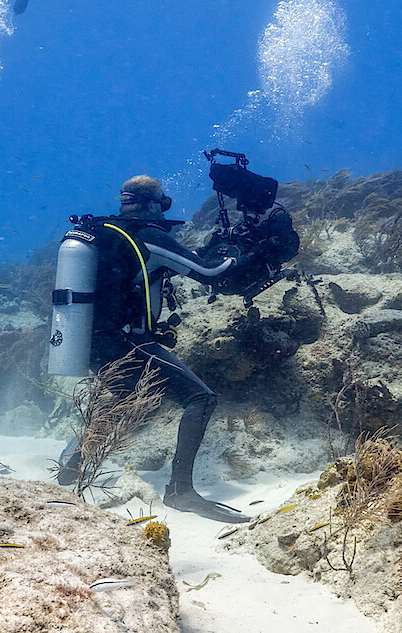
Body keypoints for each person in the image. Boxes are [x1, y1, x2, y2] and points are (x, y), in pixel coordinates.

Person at [57, 175, 251, 523]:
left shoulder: (109, 231)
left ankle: (71, 468)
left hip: (91, 341)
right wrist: (244, 256)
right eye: (163, 201)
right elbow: (210, 273)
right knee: (200, 398)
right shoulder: (147, 235)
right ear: (153, 203)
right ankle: (180, 491)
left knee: (123, 398)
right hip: (127, 340)